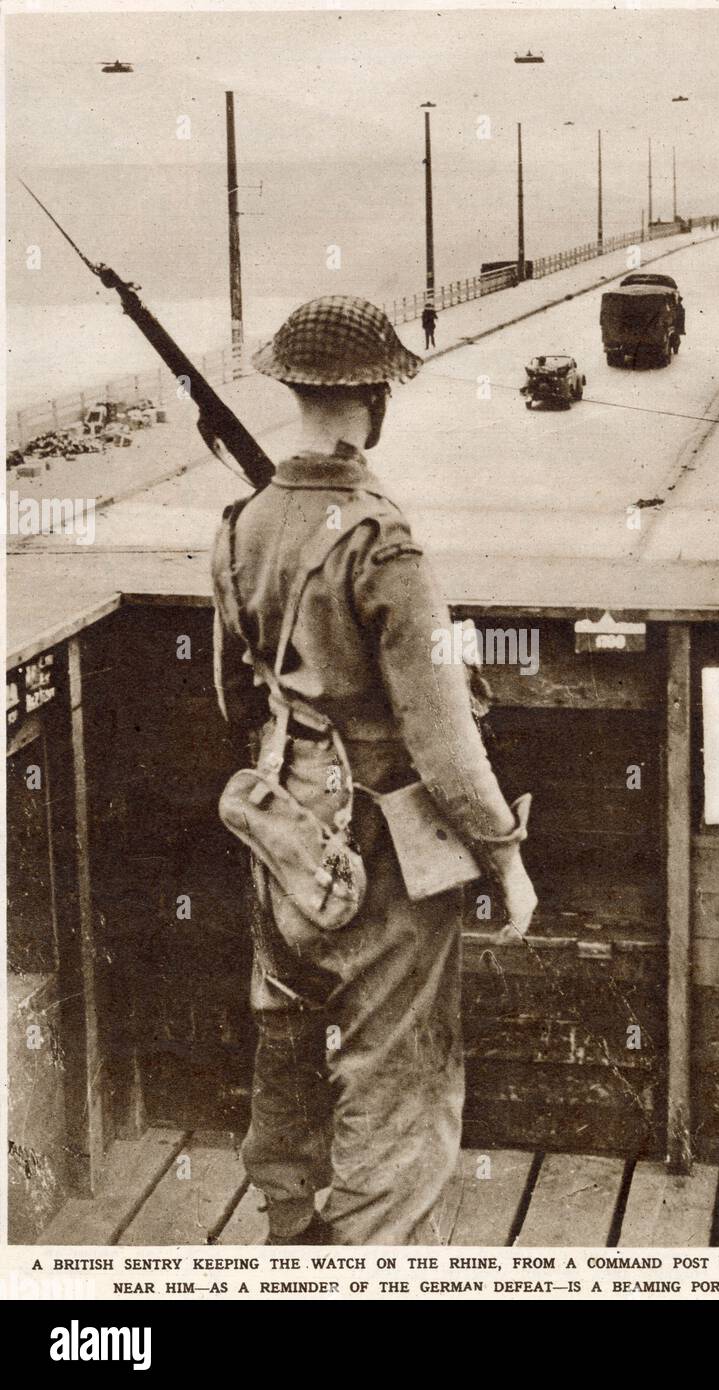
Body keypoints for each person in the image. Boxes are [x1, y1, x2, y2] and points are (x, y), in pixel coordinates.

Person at [210, 295, 536, 1246]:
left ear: (294, 388)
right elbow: (442, 742)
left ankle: (287, 1224)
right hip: (381, 839)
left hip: (281, 821)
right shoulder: (380, 541)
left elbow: (238, 699)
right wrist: (506, 861)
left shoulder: (240, 524)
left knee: (287, 1032)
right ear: (376, 399)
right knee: (399, 1070)